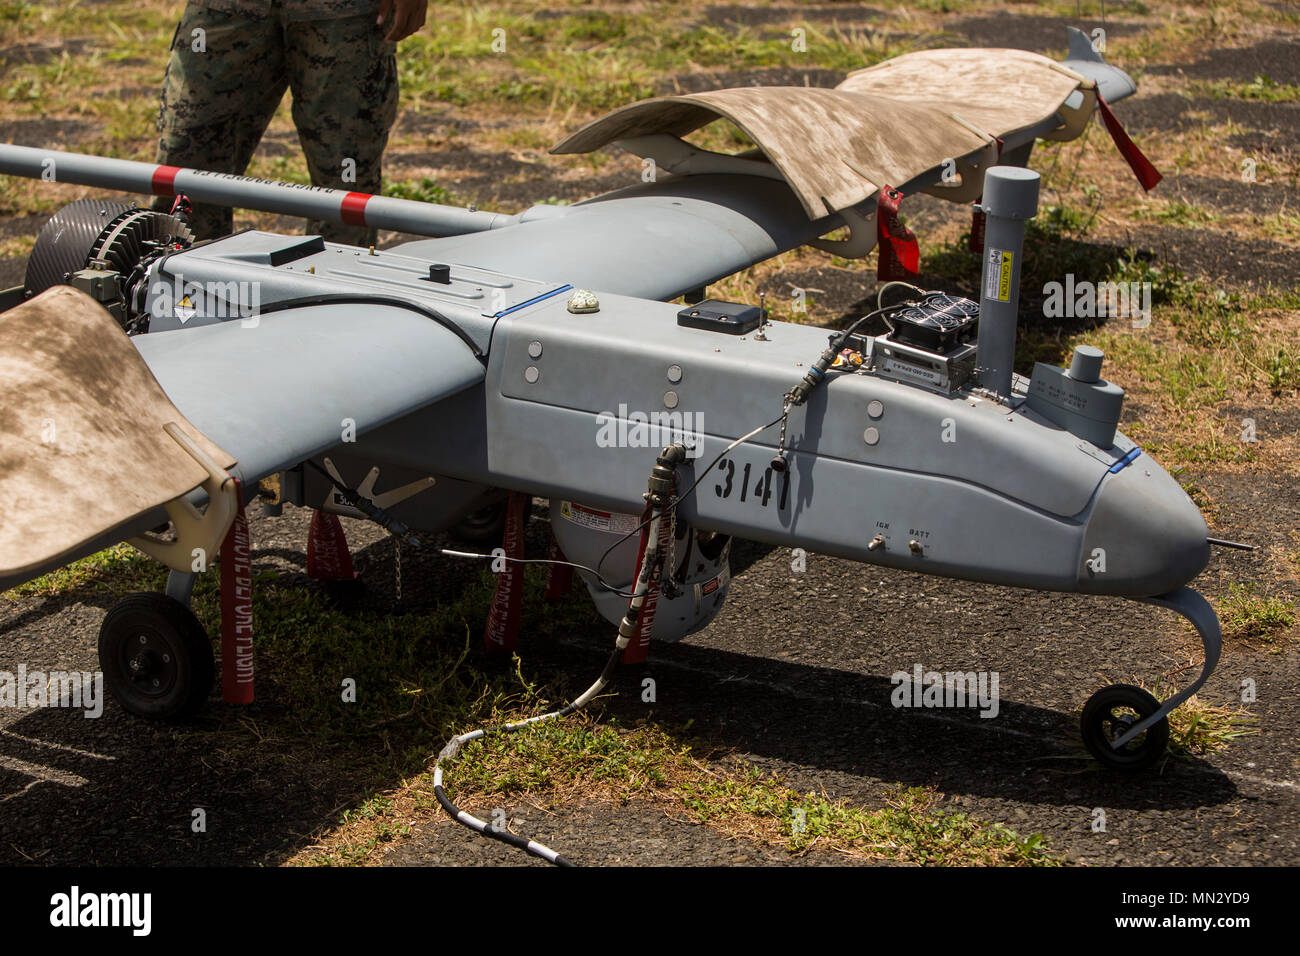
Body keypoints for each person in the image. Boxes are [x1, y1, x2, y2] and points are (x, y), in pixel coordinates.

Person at [150, 0, 427, 245]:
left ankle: (333, 298)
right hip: (226, 10)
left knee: (345, 179)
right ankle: (182, 295)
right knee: (186, 171)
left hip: (344, 15)